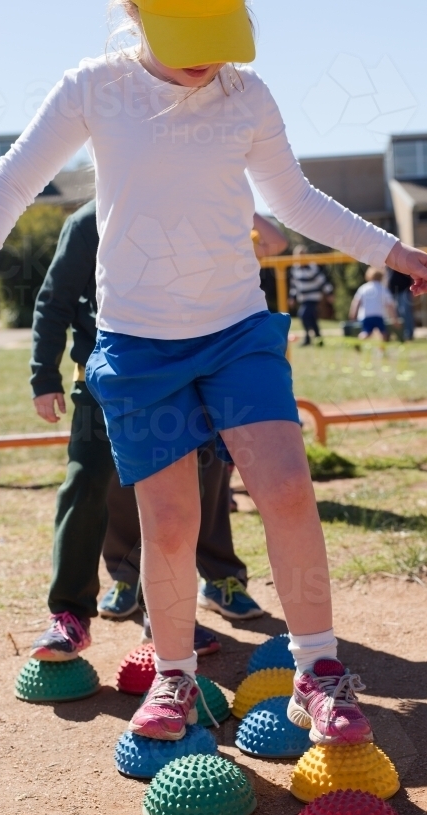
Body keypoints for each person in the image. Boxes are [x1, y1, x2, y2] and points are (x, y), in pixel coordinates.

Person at [0, 0, 427, 746]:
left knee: (287, 488)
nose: (206, 60)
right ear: (136, 12)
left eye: (218, 43)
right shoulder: (95, 87)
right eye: (188, 43)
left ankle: (320, 673)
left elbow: (293, 197)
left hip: (236, 330)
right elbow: (11, 181)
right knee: (168, 526)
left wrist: (387, 251)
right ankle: (173, 674)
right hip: (140, 346)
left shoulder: (245, 95)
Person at [27, 199, 261, 662]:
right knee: (87, 481)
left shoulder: (186, 208)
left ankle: (170, 618)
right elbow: (53, 303)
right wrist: (44, 378)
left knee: (184, 491)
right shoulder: (88, 223)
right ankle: (69, 615)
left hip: (179, 375)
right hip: (105, 378)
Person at [289, 245, 333, 346]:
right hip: (303, 298)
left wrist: (329, 293)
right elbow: (294, 285)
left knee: (303, 315)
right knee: (312, 319)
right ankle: (319, 339)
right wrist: (292, 297)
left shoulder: (312, 267)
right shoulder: (295, 269)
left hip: (313, 297)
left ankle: (307, 339)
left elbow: (322, 281)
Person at [349, 268, 397, 342]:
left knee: (366, 331)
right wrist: (394, 318)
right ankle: (382, 349)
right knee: (383, 332)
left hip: (366, 315)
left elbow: (356, 303)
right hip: (379, 315)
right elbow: (389, 305)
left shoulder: (363, 288)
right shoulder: (383, 289)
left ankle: (359, 341)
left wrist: (353, 315)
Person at [388, 268, 415, 341]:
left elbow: (412, 274)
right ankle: (400, 335)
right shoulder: (389, 261)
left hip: (404, 289)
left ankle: (408, 334)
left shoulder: (403, 259)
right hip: (393, 291)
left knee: (405, 312)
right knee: (396, 314)